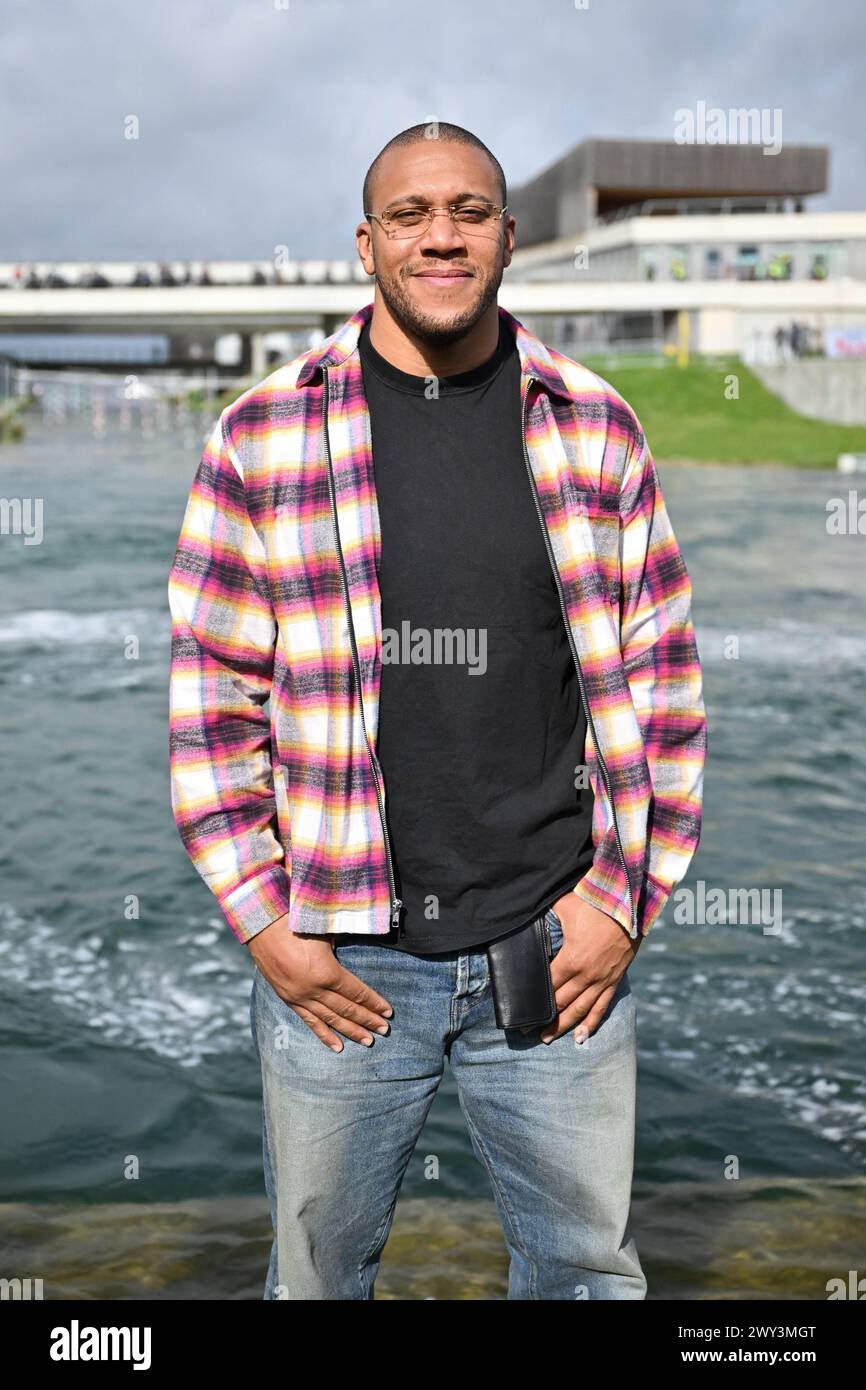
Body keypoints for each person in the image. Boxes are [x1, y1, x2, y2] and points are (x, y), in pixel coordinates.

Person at [167, 122, 707, 1300]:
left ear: (508, 237)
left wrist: (623, 900)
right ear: (367, 244)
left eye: (468, 210)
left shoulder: (594, 424)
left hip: (555, 945)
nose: (441, 235)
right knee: (316, 1278)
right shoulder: (261, 433)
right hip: (342, 960)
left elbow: (662, 684)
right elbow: (212, 704)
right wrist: (269, 927)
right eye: (409, 215)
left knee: (584, 1273)